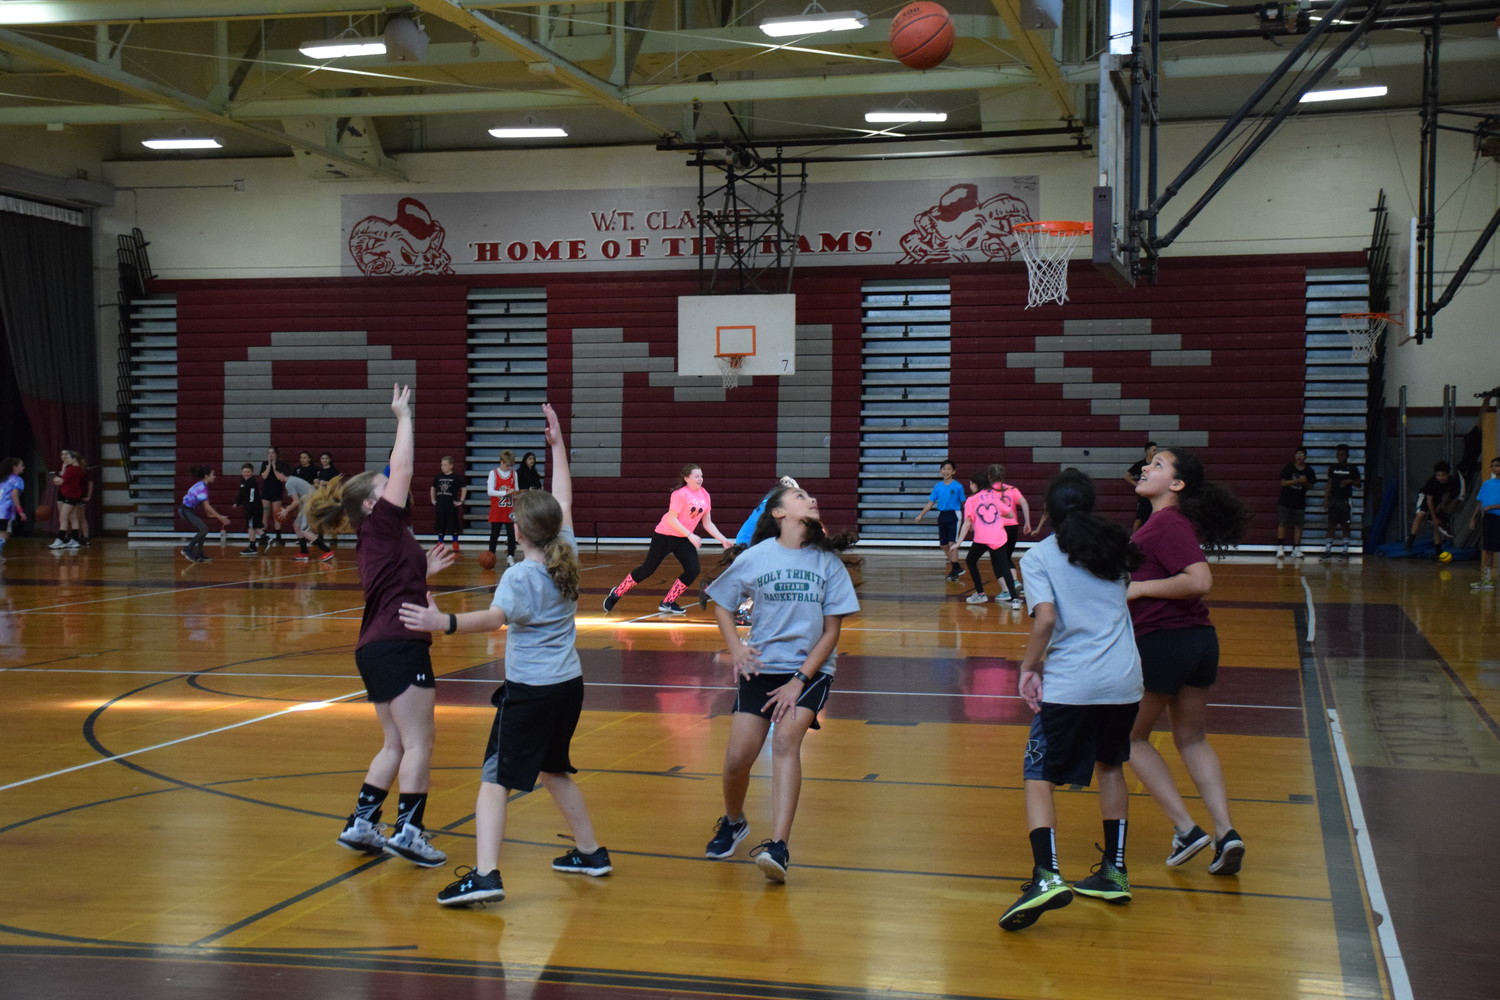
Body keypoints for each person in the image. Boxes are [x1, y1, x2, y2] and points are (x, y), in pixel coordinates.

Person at [401, 404, 612, 907]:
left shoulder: (519, 576)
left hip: (532, 692)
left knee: (495, 778)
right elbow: (563, 499)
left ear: (518, 531)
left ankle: (486, 874)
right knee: (553, 768)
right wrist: (558, 446)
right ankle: (589, 852)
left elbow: (493, 620)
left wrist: (442, 622)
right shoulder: (567, 550)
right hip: (568, 687)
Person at [305, 384, 457, 869]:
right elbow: (405, 468)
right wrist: (403, 418)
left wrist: (423, 574)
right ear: (372, 504)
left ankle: (362, 824)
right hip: (397, 645)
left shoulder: (382, 537)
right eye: (383, 487)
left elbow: (392, 584)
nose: (393, 487)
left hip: (377, 645)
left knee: (395, 742)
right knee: (418, 743)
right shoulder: (382, 525)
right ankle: (409, 832)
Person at [999, 469, 1142, 931]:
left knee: (1038, 773)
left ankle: (1047, 876)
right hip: (1124, 680)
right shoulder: (1114, 546)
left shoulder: (1040, 555)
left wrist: (1027, 668)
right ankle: (1115, 872)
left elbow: (1045, 618)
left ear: (1048, 511)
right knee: (1111, 765)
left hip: (1073, 683)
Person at [702, 482, 860, 883]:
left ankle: (778, 846)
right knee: (738, 757)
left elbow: (831, 633)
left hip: (809, 671)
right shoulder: (756, 557)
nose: (812, 500)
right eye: (801, 497)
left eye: (811, 498)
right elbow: (720, 602)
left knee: (786, 742)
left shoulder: (828, 564)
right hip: (761, 667)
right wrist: (735, 647)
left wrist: (799, 680)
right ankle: (734, 821)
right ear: (779, 513)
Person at [1126, 446, 1249, 876]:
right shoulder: (1166, 524)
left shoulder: (1167, 523)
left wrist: (1140, 590)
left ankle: (1186, 829)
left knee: (1128, 738)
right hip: (1197, 642)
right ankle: (1226, 832)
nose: (1146, 467)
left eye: (1158, 465)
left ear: (1177, 485)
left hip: (1164, 641)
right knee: (1192, 739)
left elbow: (1199, 580)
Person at [603, 464, 732, 616]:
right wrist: (690, 535)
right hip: (665, 536)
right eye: (696, 476)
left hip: (683, 538)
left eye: (701, 476)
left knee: (693, 570)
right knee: (647, 570)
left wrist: (723, 540)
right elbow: (672, 519)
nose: (700, 479)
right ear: (686, 478)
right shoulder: (680, 494)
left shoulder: (705, 495)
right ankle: (617, 592)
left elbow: (707, 523)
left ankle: (668, 602)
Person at [958, 469, 1019, 607]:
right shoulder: (993, 496)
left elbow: (967, 522)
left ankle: (980, 594)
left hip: (983, 537)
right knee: (1004, 566)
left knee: (971, 561)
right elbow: (1009, 514)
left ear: (974, 485)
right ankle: (1015, 599)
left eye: (970, 484)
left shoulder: (971, 500)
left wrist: (958, 542)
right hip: (999, 536)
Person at [913, 459, 966, 582]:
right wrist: (921, 514)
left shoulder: (958, 486)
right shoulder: (937, 486)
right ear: (940, 471)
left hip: (954, 514)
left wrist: (970, 518)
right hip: (942, 515)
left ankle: (954, 570)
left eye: (949, 469)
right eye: (944, 469)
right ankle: (957, 566)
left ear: (954, 471)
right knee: (943, 545)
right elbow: (931, 502)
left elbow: (964, 502)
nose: (946, 471)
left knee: (952, 544)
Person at [276, 462, 333, 563]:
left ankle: (328, 551)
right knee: (297, 525)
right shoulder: (293, 479)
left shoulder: (289, 483)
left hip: (313, 504)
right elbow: (302, 499)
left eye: (276, 473)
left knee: (305, 530)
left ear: (281, 473)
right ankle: (304, 552)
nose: (276, 475)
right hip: (310, 503)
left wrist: (286, 510)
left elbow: (296, 501)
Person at [991, 464, 1032, 598]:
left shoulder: (988, 492)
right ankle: (1014, 581)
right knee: (1007, 556)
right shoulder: (1013, 490)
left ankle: (1006, 590)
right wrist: (1027, 522)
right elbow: (1024, 503)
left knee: (998, 559)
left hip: (997, 528)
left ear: (989, 476)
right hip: (1013, 526)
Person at [1407, 461, 1461, 559]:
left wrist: (1442, 505)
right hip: (1426, 497)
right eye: (1438, 475)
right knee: (1420, 515)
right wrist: (1434, 517)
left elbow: (1451, 497)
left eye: (1443, 475)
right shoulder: (1432, 481)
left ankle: (1438, 550)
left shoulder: (1453, 482)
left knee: (1436, 526)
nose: (1441, 478)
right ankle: (1410, 541)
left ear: (1448, 474)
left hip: (1438, 500)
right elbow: (1429, 501)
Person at [179, 465, 230, 564]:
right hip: (185, 510)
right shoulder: (202, 487)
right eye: (213, 474)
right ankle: (188, 549)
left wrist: (215, 516)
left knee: (203, 529)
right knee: (204, 529)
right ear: (206, 476)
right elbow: (207, 507)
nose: (214, 476)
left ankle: (199, 554)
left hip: (187, 510)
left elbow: (206, 508)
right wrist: (220, 518)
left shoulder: (201, 486)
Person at [1321, 444, 1363, 560]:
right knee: (1331, 525)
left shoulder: (1352, 468)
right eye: (1339, 455)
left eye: (1343, 454)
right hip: (1334, 499)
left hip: (1346, 500)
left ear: (1347, 455)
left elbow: (1359, 484)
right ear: (1336, 455)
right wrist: (1325, 499)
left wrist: (1350, 481)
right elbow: (1329, 483)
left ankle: (1345, 551)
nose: (1341, 457)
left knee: (1345, 525)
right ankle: (1328, 549)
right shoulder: (1333, 468)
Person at [1275, 447, 1316, 559]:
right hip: (1285, 500)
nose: (1299, 457)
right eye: (1298, 454)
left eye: (1302, 454)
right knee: (1283, 523)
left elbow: (1311, 486)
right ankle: (1280, 548)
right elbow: (1283, 483)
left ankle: (1296, 549)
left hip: (1299, 501)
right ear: (1294, 456)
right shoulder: (1289, 468)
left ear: (1305, 457)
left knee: (1298, 525)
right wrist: (1296, 481)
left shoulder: (1309, 471)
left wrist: (1305, 482)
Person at [1470, 456, 1500, 591]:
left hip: (1498, 517)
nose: (1495, 468)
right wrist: (1474, 517)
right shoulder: (1487, 484)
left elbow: (1490, 505)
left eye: (1497, 465)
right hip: (1488, 519)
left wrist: (1493, 507)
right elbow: (1481, 502)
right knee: (1488, 549)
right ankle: (1486, 579)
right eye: (1493, 465)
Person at [49, 449, 88, 549]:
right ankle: (74, 540)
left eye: (68, 458)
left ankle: (60, 539)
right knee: (73, 517)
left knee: (63, 517)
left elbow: (61, 481)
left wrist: (55, 479)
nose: (67, 460)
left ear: (74, 458)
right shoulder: (79, 469)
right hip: (75, 495)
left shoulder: (71, 469)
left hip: (70, 495)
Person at [486, 450, 519, 566]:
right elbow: (490, 491)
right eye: (506, 464)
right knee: (494, 534)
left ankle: (510, 556)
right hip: (497, 508)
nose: (507, 467)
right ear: (501, 461)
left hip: (510, 509)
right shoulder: (493, 473)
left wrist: (515, 493)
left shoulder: (514, 474)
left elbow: (516, 490)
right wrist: (505, 492)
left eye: (510, 465)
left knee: (511, 534)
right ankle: (491, 556)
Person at [431, 455, 467, 552]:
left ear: (451, 466)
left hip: (451, 506)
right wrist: (433, 500)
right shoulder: (438, 477)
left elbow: (464, 488)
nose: (442, 467)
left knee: (453, 525)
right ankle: (440, 543)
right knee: (440, 525)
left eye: (445, 465)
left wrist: (461, 501)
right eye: (442, 465)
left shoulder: (456, 477)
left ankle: (455, 542)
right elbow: (433, 488)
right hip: (440, 505)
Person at [1124, 442, 1158, 533]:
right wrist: (1137, 485)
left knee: (1154, 516)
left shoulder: (1158, 465)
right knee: (1140, 517)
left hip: (1155, 494)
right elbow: (1126, 476)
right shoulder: (1140, 464)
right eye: (1154, 450)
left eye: (1156, 450)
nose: (1156, 452)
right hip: (1144, 495)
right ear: (1147, 451)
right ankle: (1133, 538)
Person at [234, 463, 263, 557]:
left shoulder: (252, 483)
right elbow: (241, 494)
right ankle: (265, 538)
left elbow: (252, 498)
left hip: (254, 508)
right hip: (249, 507)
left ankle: (253, 546)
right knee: (254, 526)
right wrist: (237, 503)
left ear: (252, 473)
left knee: (251, 527)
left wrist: (249, 510)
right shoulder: (243, 481)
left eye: (248, 472)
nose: (246, 473)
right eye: (244, 472)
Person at [259, 446, 286, 547]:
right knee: (265, 514)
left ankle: (278, 537)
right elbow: (264, 476)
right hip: (266, 492)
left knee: (276, 515)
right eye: (269, 453)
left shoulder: (280, 464)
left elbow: (279, 477)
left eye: (272, 453)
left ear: (276, 454)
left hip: (277, 492)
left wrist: (274, 465)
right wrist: (269, 465)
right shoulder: (264, 464)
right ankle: (263, 537)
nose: (270, 455)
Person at [0, 458, 26, 560]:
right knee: (4, 535)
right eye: (21, 465)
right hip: (6, 511)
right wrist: (20, 511)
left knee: (6, 532)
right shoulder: (18, 479)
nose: (23, 467)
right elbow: (15, 495)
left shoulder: (3, 479)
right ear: (15, 467)